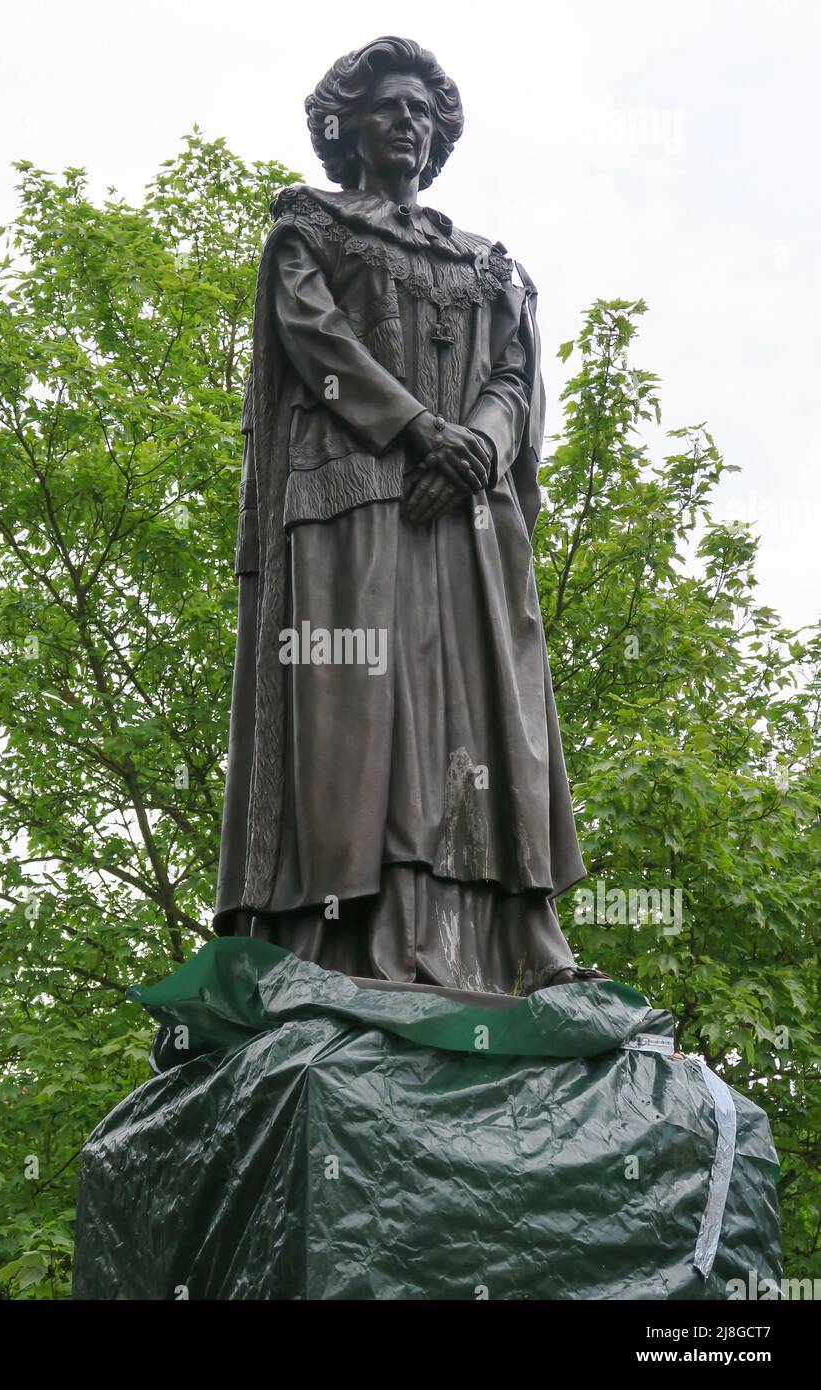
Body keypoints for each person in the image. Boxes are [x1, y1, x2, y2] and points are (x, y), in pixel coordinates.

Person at [215, 36, 606, 995]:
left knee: (488, 723)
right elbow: (317, 343)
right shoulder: (309, 230)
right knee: (363, 718)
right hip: (354, 507)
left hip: (467, 521)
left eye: (423, 113)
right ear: (341, 126)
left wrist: (475, 443)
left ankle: (514, 940)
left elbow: (516, 372)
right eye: (388, 106)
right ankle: (354, 938)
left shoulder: (486, 265)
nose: (409, 122)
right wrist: (420, 434)